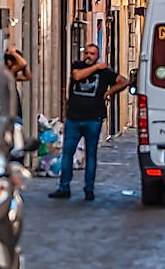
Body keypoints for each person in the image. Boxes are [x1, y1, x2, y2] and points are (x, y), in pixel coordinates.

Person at [50, 43, 129, 200]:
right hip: (74, 118)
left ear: (97, 56)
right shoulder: (77, 66)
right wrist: (97, 67)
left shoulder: (105, 73)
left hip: (94, 119)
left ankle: (89, 189)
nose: (88, 56)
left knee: (91, 154)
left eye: (92, 54)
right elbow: (77, 76)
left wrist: (109, 92)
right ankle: (64, 187)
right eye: (86, 52)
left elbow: (124, 81)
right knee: (67, 154)